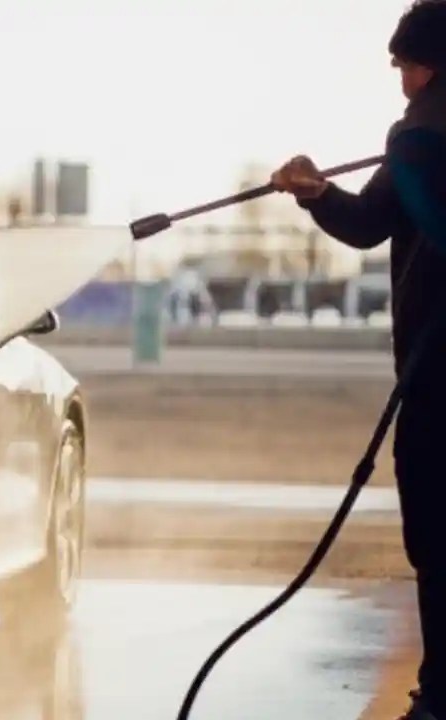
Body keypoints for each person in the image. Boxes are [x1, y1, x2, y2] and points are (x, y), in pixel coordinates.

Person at [271, 2, 446, 717]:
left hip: (438, 373)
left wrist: (402, 160)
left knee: (437, 531)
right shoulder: (418, 140)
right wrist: (319, 193)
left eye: (404, 63)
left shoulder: (419, 140)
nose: (400, 77)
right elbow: (376, 217)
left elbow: (374, 223)